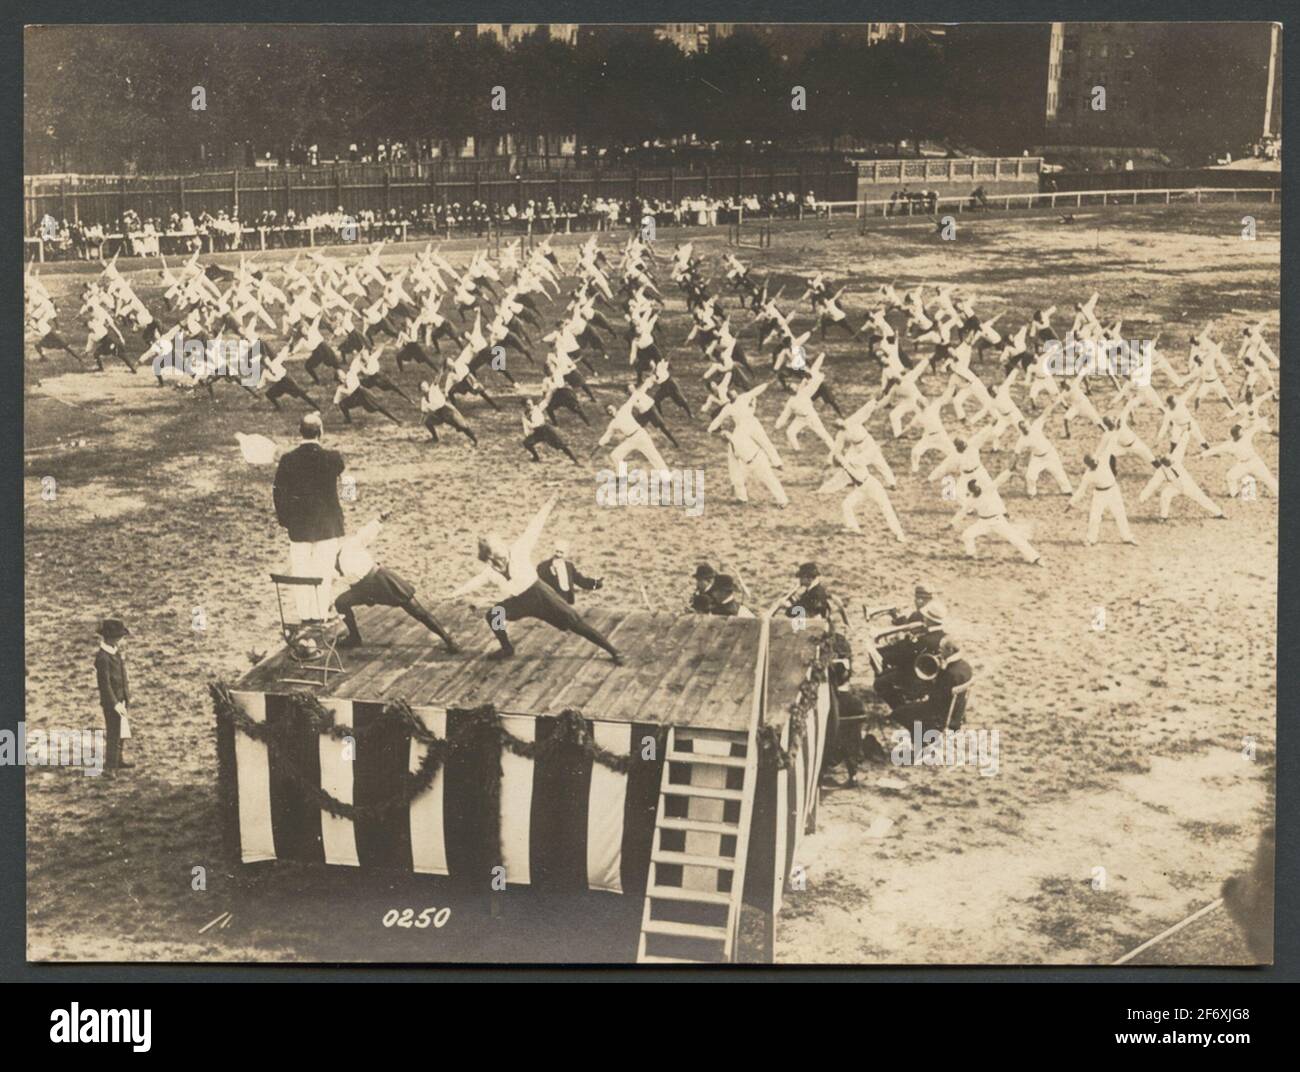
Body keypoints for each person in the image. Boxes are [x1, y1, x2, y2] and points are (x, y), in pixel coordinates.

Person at [452, 494, 623, 664]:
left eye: (501, 543)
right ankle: (507, 648)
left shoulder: (519, 550)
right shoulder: (491, 571)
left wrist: (548, 506)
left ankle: (613, 651)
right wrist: (454, 594)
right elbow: (475, 582)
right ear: (489, 554)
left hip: (541, 595)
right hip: (520, 602)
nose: (503, 546)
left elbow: (534, 528)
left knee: (574, 622)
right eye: (496, 546)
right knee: (494, 615)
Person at [332, 511, 458, 653]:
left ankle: (448, 639)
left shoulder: (349, 545)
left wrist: (379, 519)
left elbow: (364, 535)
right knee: (341, 602)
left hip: (380, 580)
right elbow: (329, 581)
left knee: (417, 610)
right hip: (361, 589)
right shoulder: (328, 561)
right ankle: (354, 637)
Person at [273, 413, 346, 622]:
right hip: (327, 526)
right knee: (323, 571)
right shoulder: (332, 457)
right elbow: (339, 468)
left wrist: (286, 521)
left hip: (299, 528)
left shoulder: (288, 459)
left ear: (300, 432)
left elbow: (278, 492)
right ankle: (320, 614)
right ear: (320, 432)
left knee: (301, 572)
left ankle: (306, 616)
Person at [94, 617, 133, 771]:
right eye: (120, 637)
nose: (121, 640)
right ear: (111, 638)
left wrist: (125, 695)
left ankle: (119, 759)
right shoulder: (103, 657)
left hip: (121, 698)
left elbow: (122, 676)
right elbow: (105, 684)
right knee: (113, 733)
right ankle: (110, 767)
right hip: (112, 702)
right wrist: (114, 703)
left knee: (122, 730)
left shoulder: (115, 653)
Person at [536, 540, 603, 605]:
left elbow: (580, 581)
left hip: (567, 601)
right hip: (552, 602)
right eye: (557, 551)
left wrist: (596, 584)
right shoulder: (543, 566)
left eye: (561, 552)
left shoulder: (569, 566)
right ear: (553, 551)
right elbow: (540, 586)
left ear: (566, 553)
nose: (558, 555)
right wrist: (552, 573)